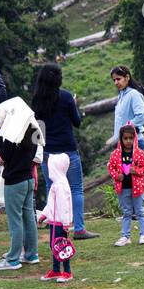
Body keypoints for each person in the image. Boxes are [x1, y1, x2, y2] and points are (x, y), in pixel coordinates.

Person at [31, 62, 96, 241]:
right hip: (68, 150)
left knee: (53, 189)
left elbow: (37, 131)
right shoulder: (66, 97)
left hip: (48, 152)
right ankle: (80, 229)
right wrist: (73, 104)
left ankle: (55, 228)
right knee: (75, 189)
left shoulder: (37, 101)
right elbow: (77, 122)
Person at [0, 98, 44, 272]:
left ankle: (13, 258)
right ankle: (31, 254)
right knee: (28, 217)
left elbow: (4, 154)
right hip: (28, 179)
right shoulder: (31, 128)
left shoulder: (11, 133)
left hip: (14, 182)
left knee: (15, 220)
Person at [107, 124, 144, 246]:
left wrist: (136, 171)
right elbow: (111, 167)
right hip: (123, 188)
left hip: (138, 188)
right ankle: (125, 237)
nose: (128, 141)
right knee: (126, 213)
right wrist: (117, 176)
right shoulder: (115, 154)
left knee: (140, 211)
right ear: (121, 139)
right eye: (125, 138)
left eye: (131, 138)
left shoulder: (139, 154)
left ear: (134, 138)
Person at [40, 153, 74, 283]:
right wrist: (44, 215)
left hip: (61, 224)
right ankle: (55, 270)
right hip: (54, 222)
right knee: (54, 246)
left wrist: (66, 223)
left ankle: (67, 272)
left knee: (62, 247)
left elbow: (64, 206)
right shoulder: (55, 184)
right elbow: (51, 204)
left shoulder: (61, 186)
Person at [108, 65, 144, 152]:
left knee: (134, 166)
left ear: (127, 77)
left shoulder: (133, 94)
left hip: (134, 143)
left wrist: (127, 126)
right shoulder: (121, 96)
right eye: (114, 80)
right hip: (123, 144)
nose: (116, 83)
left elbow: (142, 116)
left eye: (118, 79)